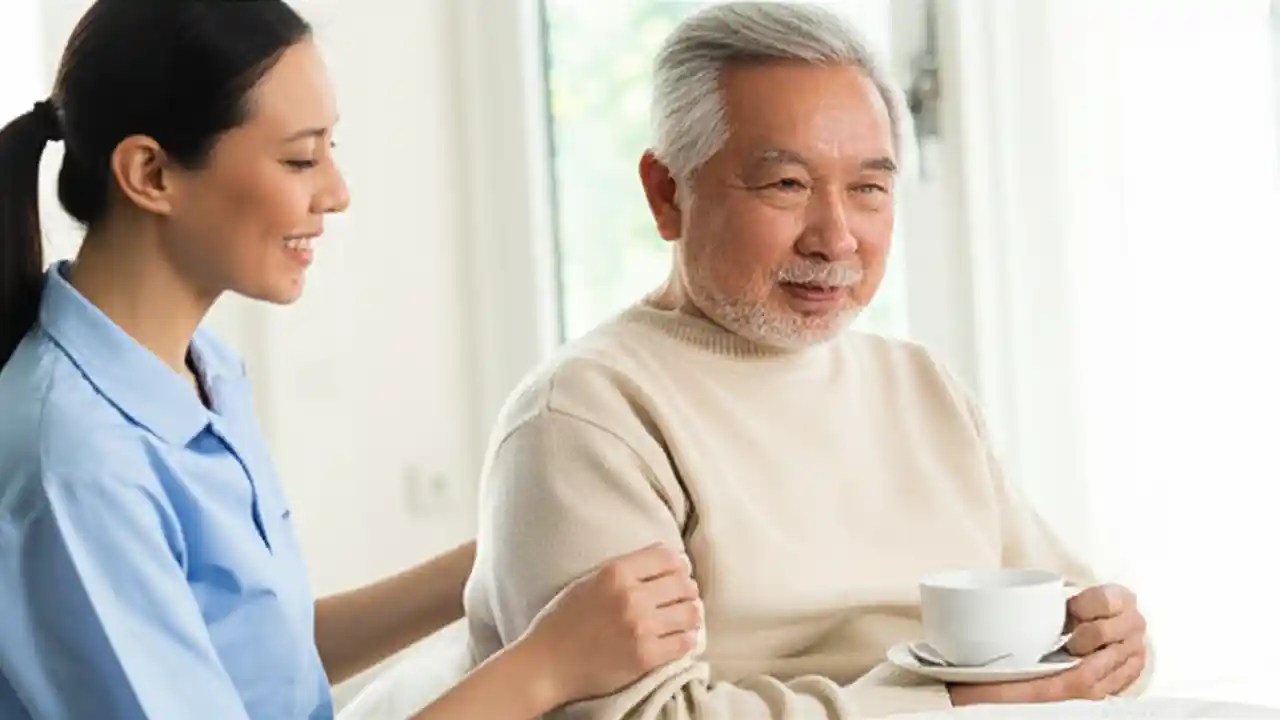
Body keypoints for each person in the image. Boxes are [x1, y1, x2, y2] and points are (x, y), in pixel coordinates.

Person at [0, 1, 702, 719]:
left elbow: (258, 660)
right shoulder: (75, 461)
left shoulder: (200, 373)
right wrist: (548, 666)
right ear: (151, 173)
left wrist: (502, 558)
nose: (337, 194)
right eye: (301, 159)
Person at [463, 3, 1151, 718]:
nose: (836, 238)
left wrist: (1113, 640)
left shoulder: (920, 384)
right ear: (668, 194)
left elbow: (1065, 616)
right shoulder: (589, 414)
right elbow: (645, 716)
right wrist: (939, 704)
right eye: (786, 185)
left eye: (868, 189)